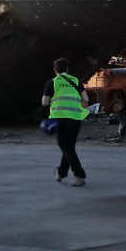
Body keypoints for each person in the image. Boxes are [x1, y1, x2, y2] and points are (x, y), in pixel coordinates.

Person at [41, 57, 89, 186]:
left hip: (60, 117)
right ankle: (61, 173)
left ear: (55, 70)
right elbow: (86, 98)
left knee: (65, 147)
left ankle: (79, 175)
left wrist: (54, 100)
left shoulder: (52, 82)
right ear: (67, 69)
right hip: (76, 118)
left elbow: (44, 102)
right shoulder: (76, 80)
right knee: (69, 147)